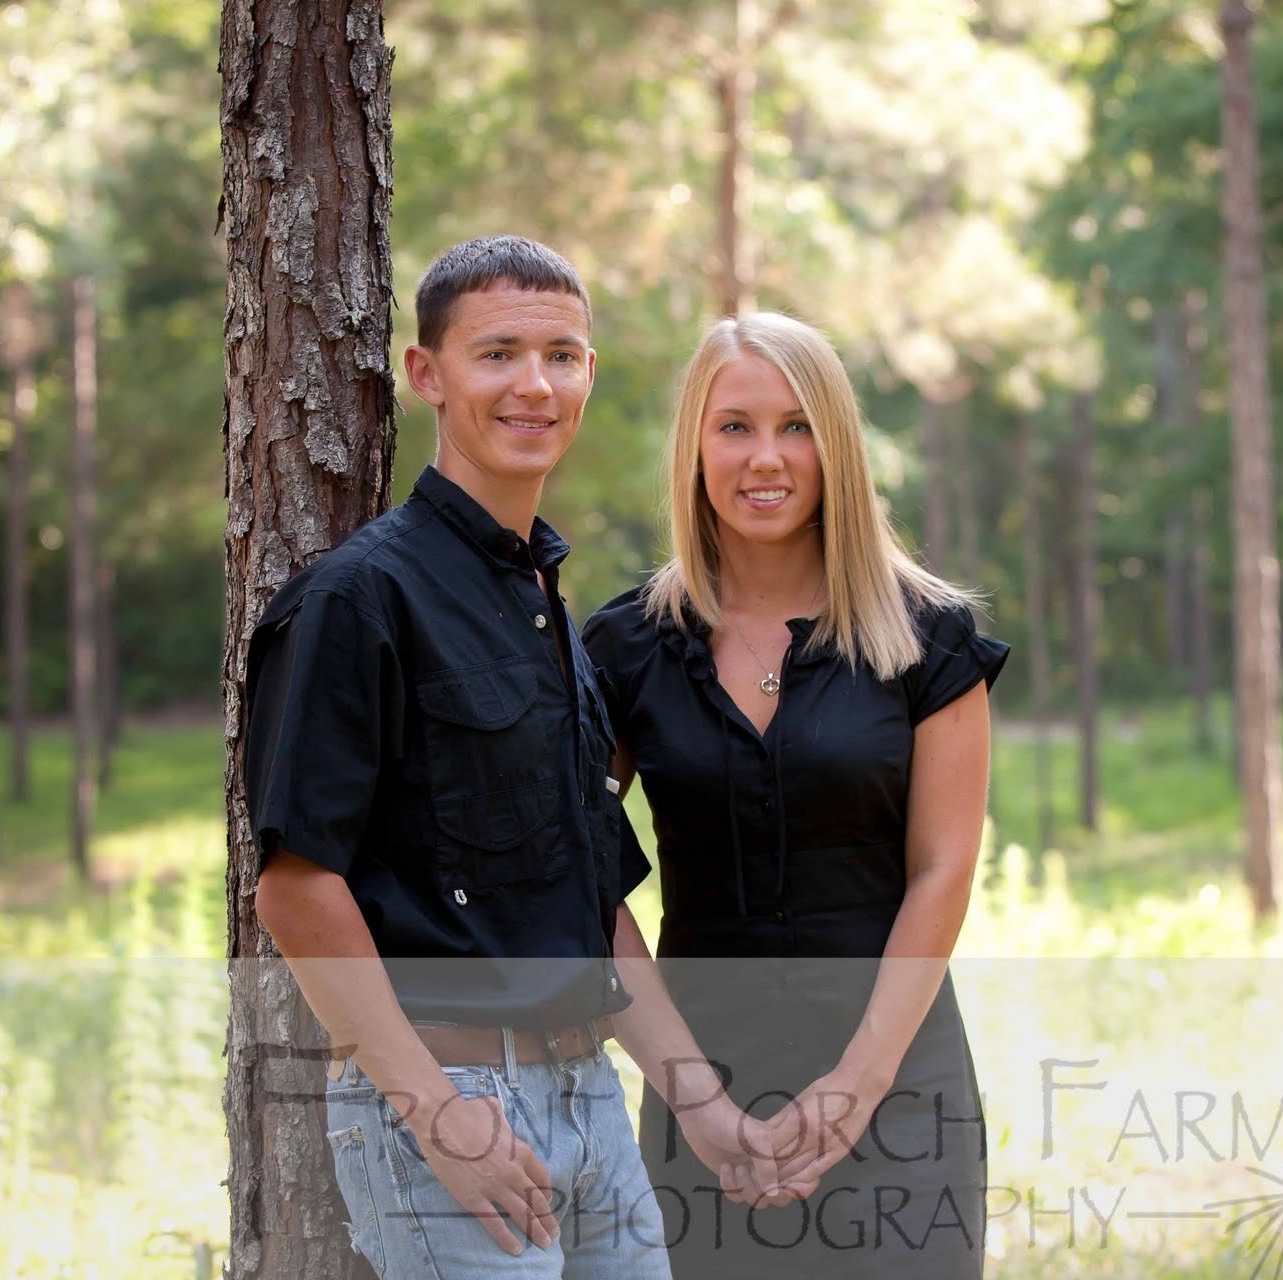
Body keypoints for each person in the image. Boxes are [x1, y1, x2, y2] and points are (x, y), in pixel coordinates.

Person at [245, 236, 774, 1280]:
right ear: (428, 375)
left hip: (588, 1098)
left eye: (563, 354)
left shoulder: (546, 611)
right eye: (498, 354)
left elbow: (592, 905)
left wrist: (702, 1107)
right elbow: (298, 889)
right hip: (449, 1106)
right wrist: (439, 1115)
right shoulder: (359, 599)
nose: (535, 383)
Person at [582, 310, 1008, 1277]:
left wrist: (856, 1086)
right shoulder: (625, 650)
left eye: (796, 425)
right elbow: (580, 881)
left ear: (837, 444)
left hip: (899, 1087)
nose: (764, 457)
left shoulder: (927, 639)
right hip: (700, 1090)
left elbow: (943, 872)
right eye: (734, 425)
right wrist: (697, 1102)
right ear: (695, 443)